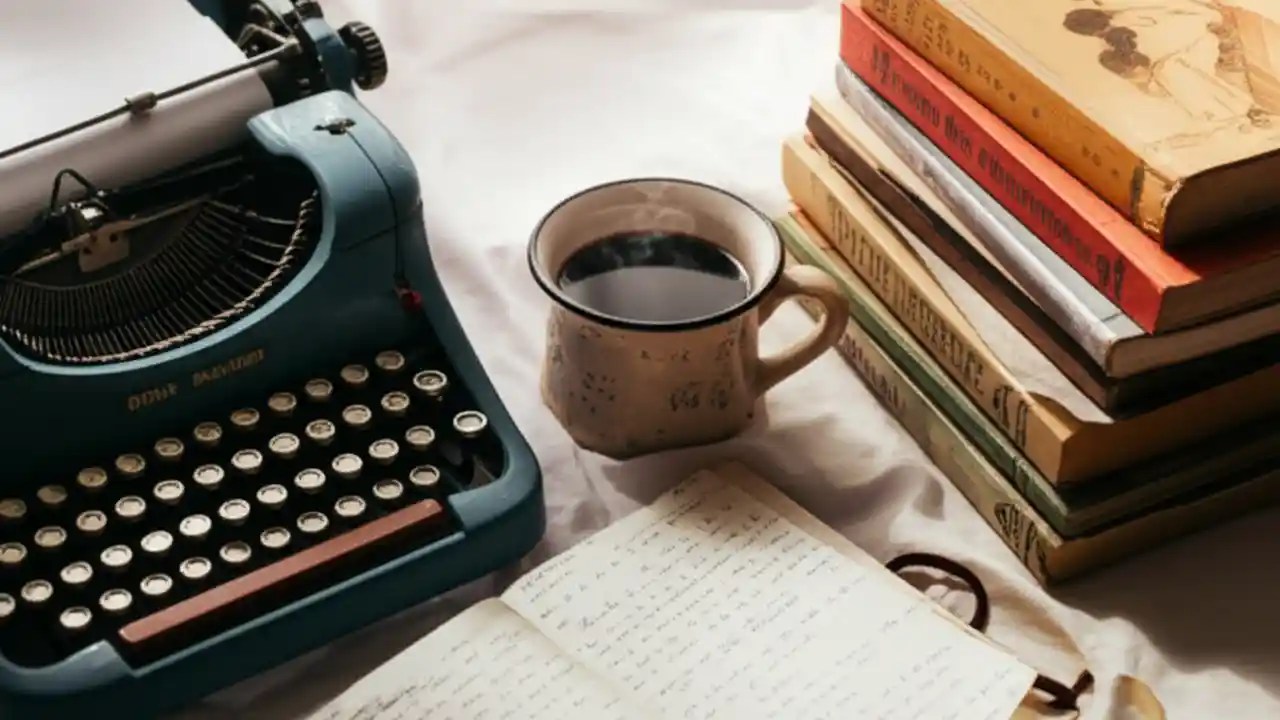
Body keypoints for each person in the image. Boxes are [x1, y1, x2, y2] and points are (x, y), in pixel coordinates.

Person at [1060, 0, 1280, 129]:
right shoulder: (1108, 49)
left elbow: (1188, 15)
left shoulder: (1132, 13)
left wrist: (1212, 19)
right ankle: (1239, 113)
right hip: (1185, 60)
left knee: (1173, 70)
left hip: (1201, 38)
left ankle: (1244, 111)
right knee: (1171, 71)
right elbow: (1145, 81)